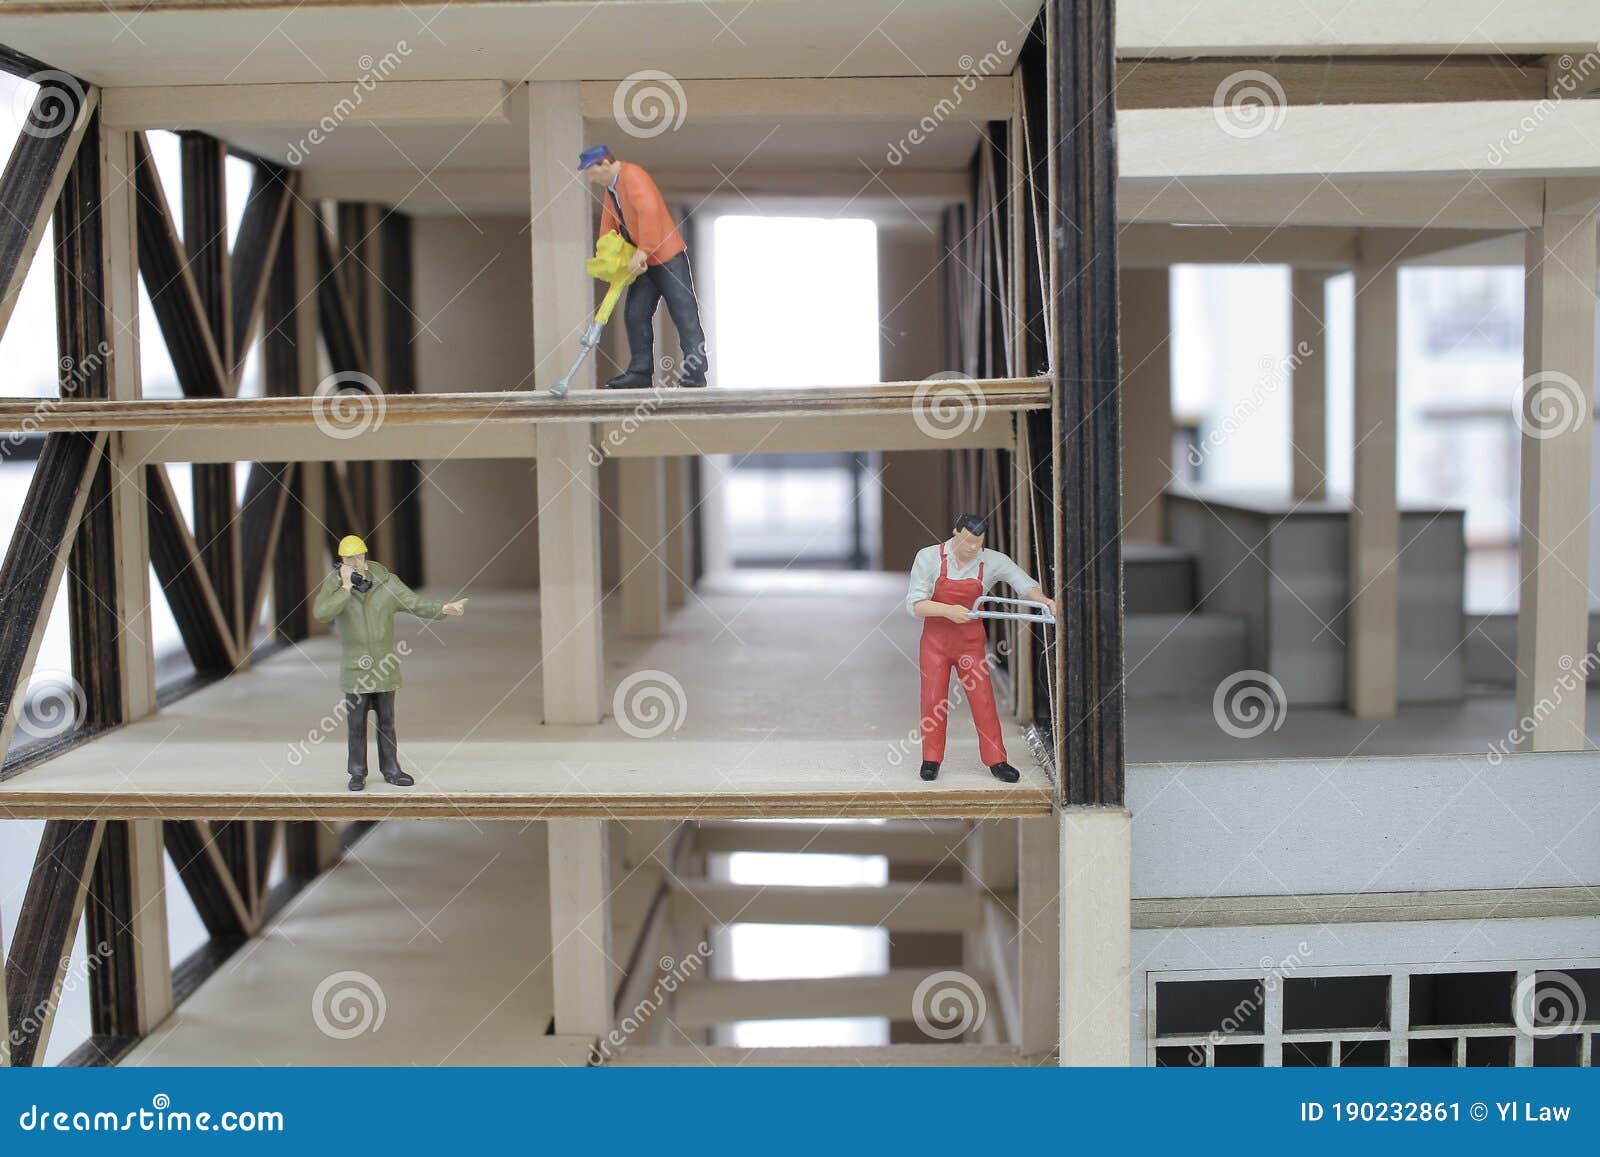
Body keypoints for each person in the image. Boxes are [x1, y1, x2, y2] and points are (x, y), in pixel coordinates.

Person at [905, 514, 1056, 783]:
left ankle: (996, 760)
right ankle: (931, 759)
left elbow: (1022, 582)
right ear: (955, 533)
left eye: (978, 542)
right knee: (932, 700)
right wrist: (948, 610)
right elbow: (915, 605)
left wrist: (1044, 601)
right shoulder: (927, 558)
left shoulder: (992, 560)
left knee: (983, 700)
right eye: (968, 542)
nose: (973, 548)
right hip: (935, 645)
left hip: (970, 645)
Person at [312, 534, 467, 792]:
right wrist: (346, 588)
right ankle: (357, 772)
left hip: (384, 668)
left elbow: (415, 603)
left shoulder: (386, 583)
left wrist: (444, 609)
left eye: (358, 556)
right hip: (355, 671)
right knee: (356, 725)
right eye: (349, 558)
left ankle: (391, 768)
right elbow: (321, 612)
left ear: (365, 555)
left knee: (387, 722)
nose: (355, 561)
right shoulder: (334, 585)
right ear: (341, 560)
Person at [578, 145, 708, 389]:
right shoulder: (612, 188)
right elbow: (609, 221)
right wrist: (607, 253)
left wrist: (644, 250)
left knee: (684, 313)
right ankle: (640, 371)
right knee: (635, 314)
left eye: (592, 172)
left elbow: (651, 213)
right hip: (644, 263)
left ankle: (696, 371)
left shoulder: (633, 176)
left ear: (605, 164)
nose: (591, 179)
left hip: (666, 257)